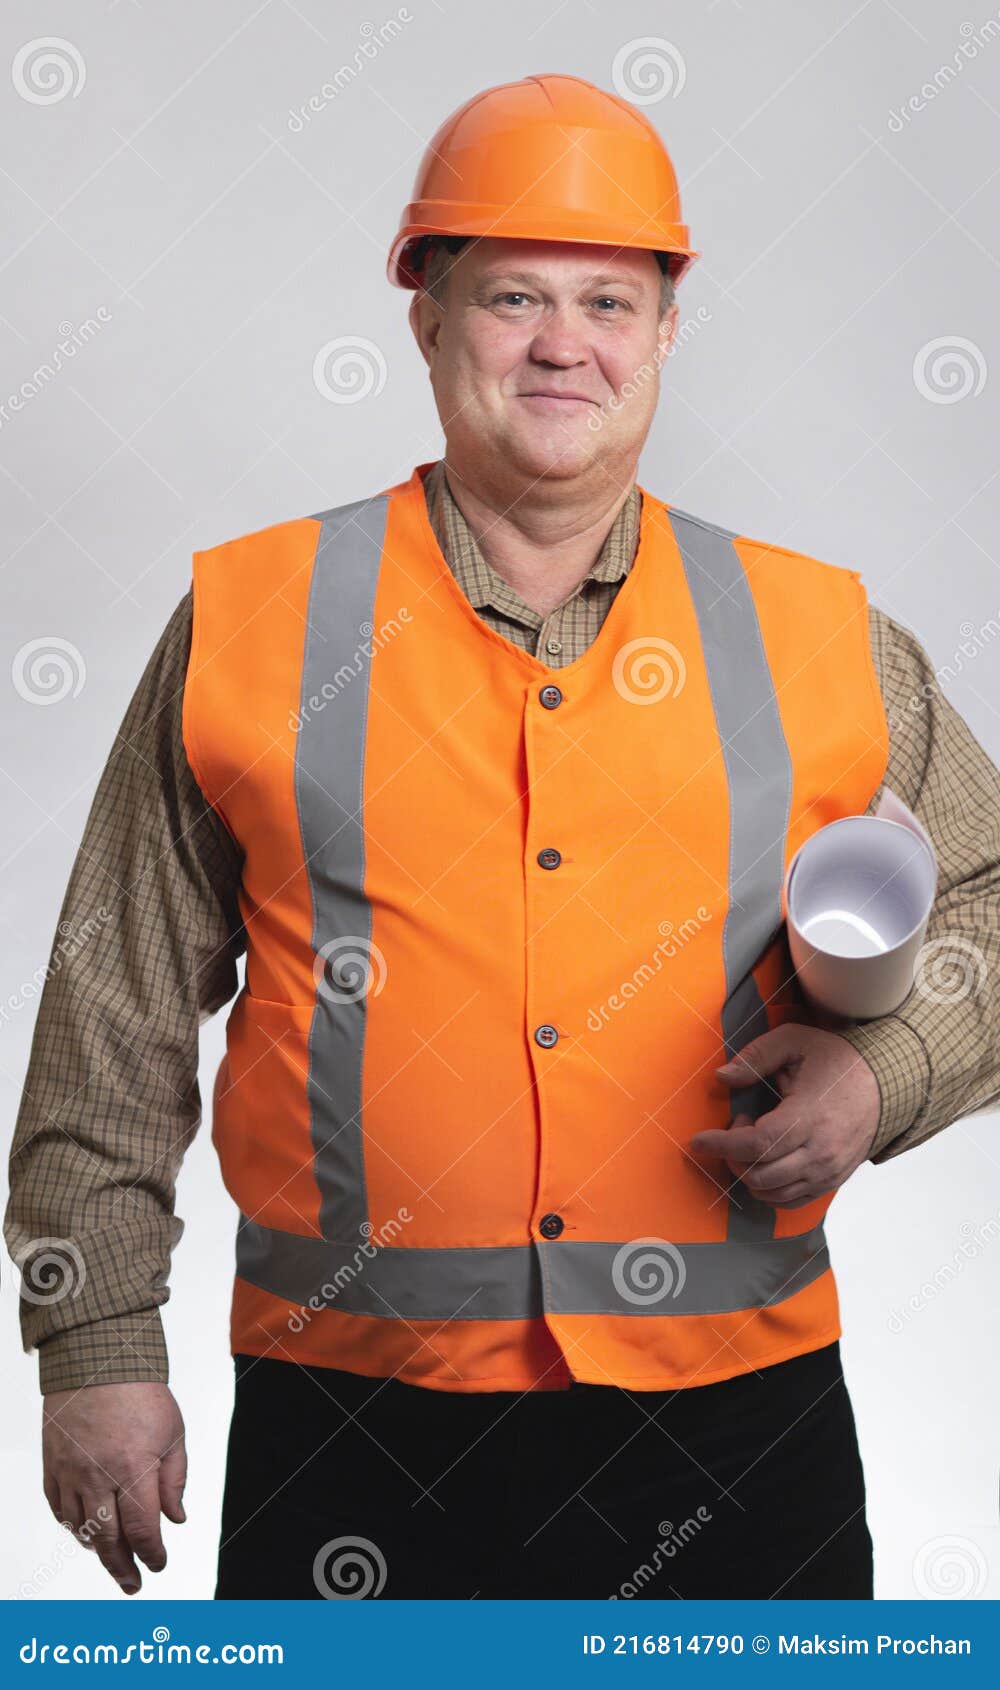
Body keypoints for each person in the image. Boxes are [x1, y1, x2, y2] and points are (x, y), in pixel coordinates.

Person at [7, 72, 1000, 1602]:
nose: (562, 343)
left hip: (738, 1430)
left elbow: (996, 900)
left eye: (609, 298)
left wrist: (885, 1069)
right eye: (513, 294)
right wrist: (94, 1349)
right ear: (426, 317)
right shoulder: (256, 621)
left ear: (668, 329)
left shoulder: (824, 633)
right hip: (349, 1426)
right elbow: (111, 1008)